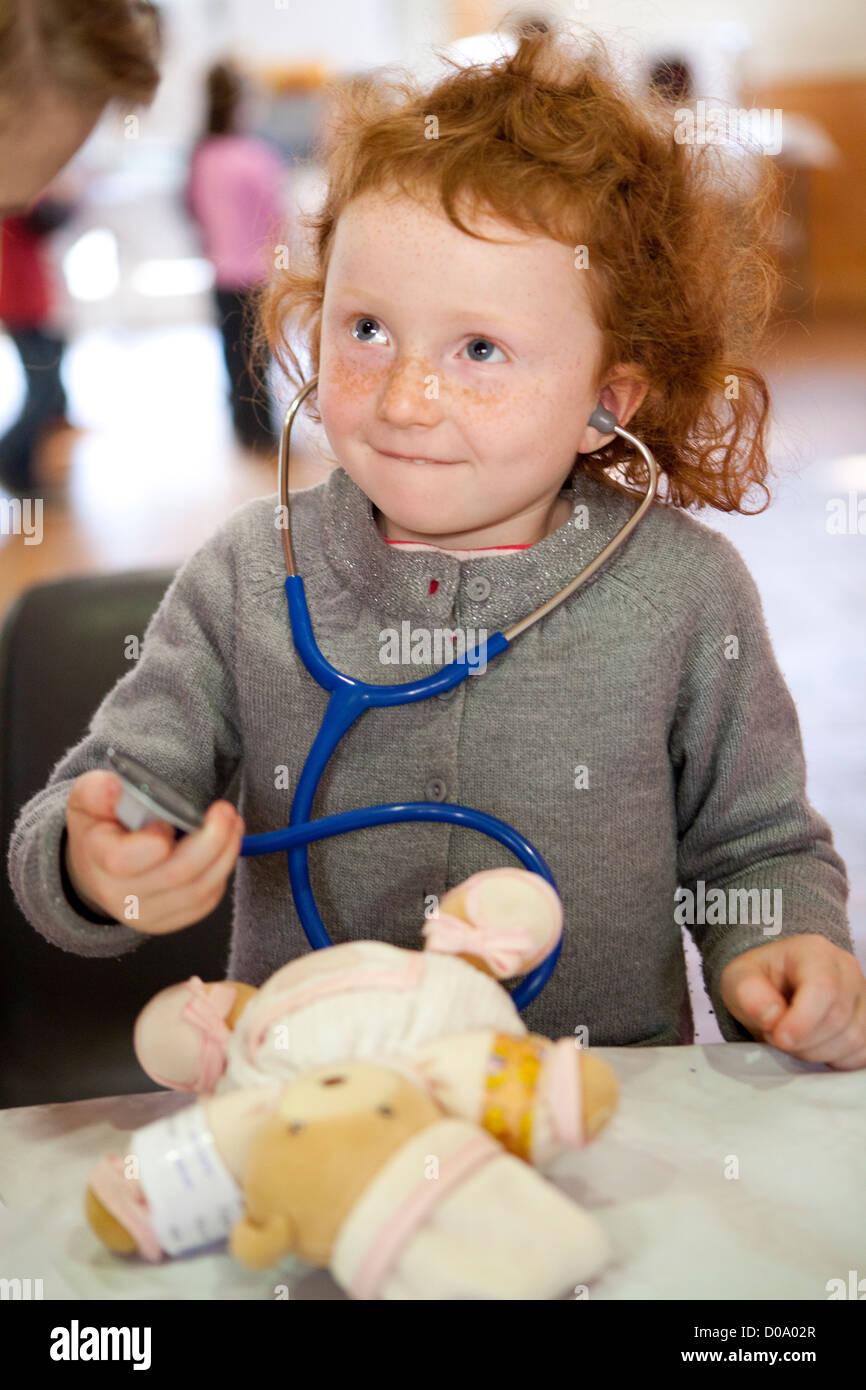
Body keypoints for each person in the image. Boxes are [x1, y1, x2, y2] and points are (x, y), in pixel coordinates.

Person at [8, 25, 866, 1069]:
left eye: (478, 349)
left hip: (590, 1120)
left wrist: (779, 947)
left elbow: (754, 847)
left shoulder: (683, 596)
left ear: (606, 401)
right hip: (310, 1114)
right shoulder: (245, 574)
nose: (408, 395)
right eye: (366, 329)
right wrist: (99, 863)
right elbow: (102, 794)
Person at [186, 60, 288, 457]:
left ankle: (242, 430)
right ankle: (261, 433)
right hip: (254, 276)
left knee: (233, 357)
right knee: (257, 360)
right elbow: (277, 218)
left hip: (220, 274)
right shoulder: (255, 155)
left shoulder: (201, 155)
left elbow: (196, 212)